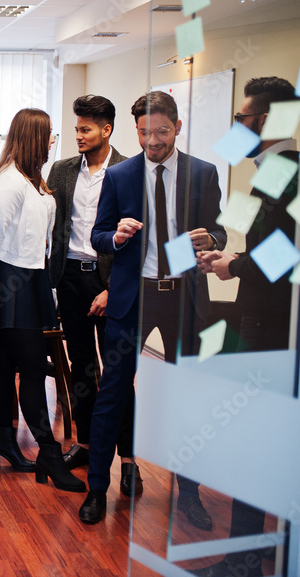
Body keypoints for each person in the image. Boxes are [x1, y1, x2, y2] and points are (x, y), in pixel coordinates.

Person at [79, 91, 226, 525]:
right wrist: (117, 236)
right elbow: (98, 236)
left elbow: (217, 228)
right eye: (144, 132)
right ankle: (96, 491)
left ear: (178, 127)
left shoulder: (203, 172)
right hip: (133, 296)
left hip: (184, 297)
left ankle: (191, 496)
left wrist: (212, 240)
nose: (152, 141)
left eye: (161, 132)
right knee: (112, 396)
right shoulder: (121, 175)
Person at [193, 76, 298, 577]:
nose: (235, 127)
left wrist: (232, 267)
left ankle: (243, 560)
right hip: (269, 317)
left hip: (268, 323)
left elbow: (283, 256)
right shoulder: (276, 169)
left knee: (253, 442)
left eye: (242, 119)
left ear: (268, 121)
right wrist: (233, 255)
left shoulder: (283, 170)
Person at [0, 109, 86, 493]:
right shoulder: (9, 182)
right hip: (11, 278)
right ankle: (49, 452)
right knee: (30, 364)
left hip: (32, 276)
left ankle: (5, 439)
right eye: (48, 136)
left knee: (7, 363)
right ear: (32, 137)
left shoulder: (33, 180)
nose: (52, 142)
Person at [46, 96, 132, 486]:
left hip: (111, 282)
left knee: (117, 372)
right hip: (70, 278)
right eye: (77, 128)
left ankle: (128, 459)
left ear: (106, 130)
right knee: (81, 366)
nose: (78, 135)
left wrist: (113, 288)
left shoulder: (130, 171)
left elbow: (139, 241)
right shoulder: (62, 171)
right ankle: (84, 443)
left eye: (86, 129)